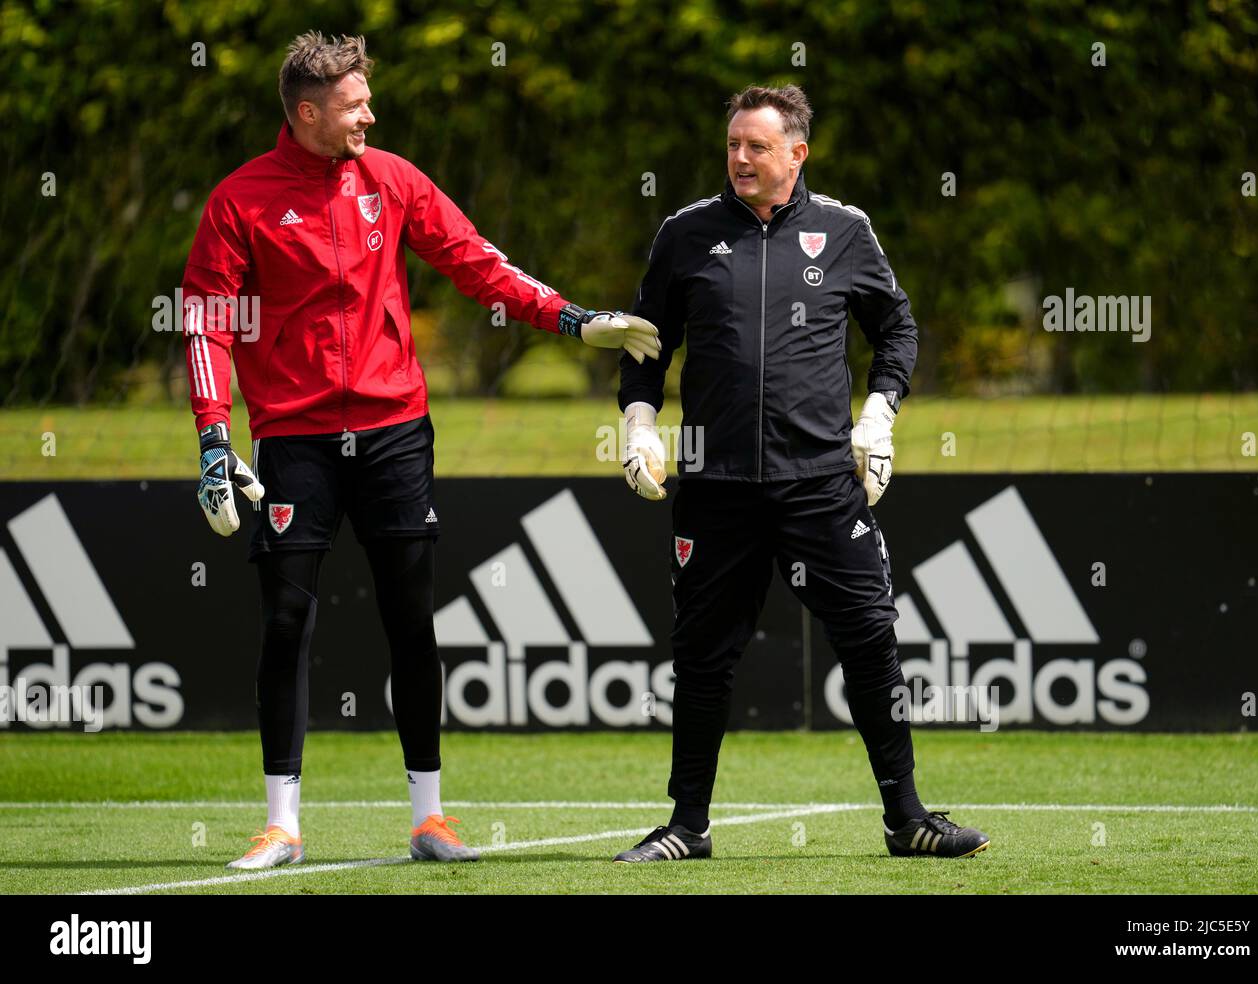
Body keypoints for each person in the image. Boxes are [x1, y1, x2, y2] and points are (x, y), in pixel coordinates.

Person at [183, 32, 658, 870]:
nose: (370, 112)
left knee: (411, 620)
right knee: (287, 620)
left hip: (396, 430)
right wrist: (214, 435)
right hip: (293, 437)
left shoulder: (393, 179)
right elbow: (207, 320)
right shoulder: (238, 200)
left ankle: (430, 819)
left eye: (367, 98)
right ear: (306, 112)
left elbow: (474, 261)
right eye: (354, 103)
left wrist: (571, 318)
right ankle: (281, 826)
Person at [614, 84, 989, 862]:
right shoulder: (685, 233)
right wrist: (638, 424)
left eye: (757, 146)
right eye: (732, 146)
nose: (741, 159)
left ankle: (907, 820)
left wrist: (880, 415)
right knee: (703, 657)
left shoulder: (845, 230)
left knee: (871, 640)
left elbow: (897, 327)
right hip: (713, 488)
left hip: (820, 484)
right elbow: (646, 346)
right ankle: (688, 826)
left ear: (797, 153)